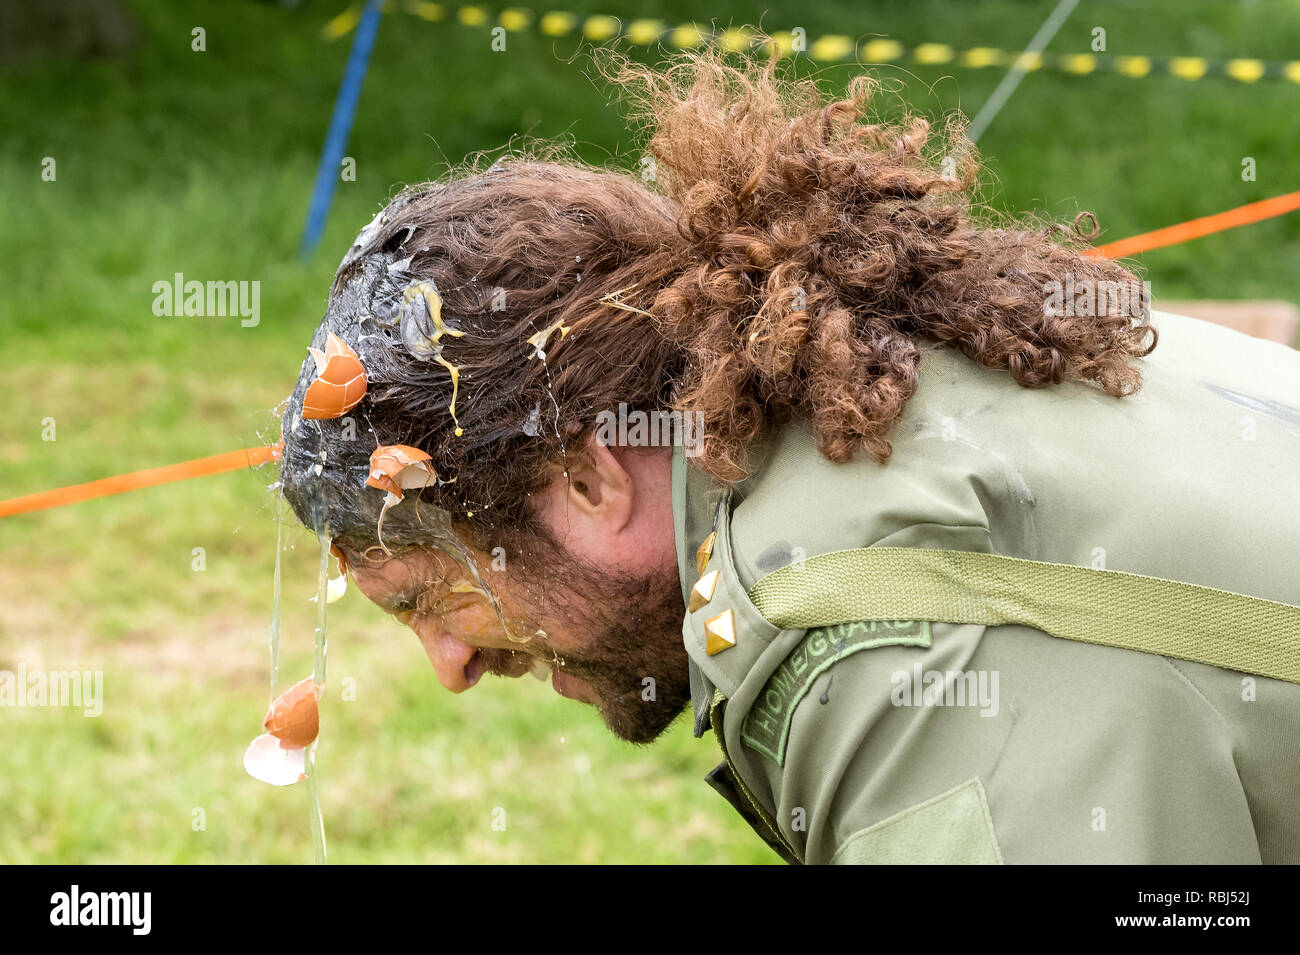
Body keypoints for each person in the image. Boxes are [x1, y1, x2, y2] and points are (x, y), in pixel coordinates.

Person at [277, 48, 1300, 864]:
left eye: (427, 599)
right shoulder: (897, 380)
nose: (449, 668)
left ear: (585, 478)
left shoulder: (856, 628)